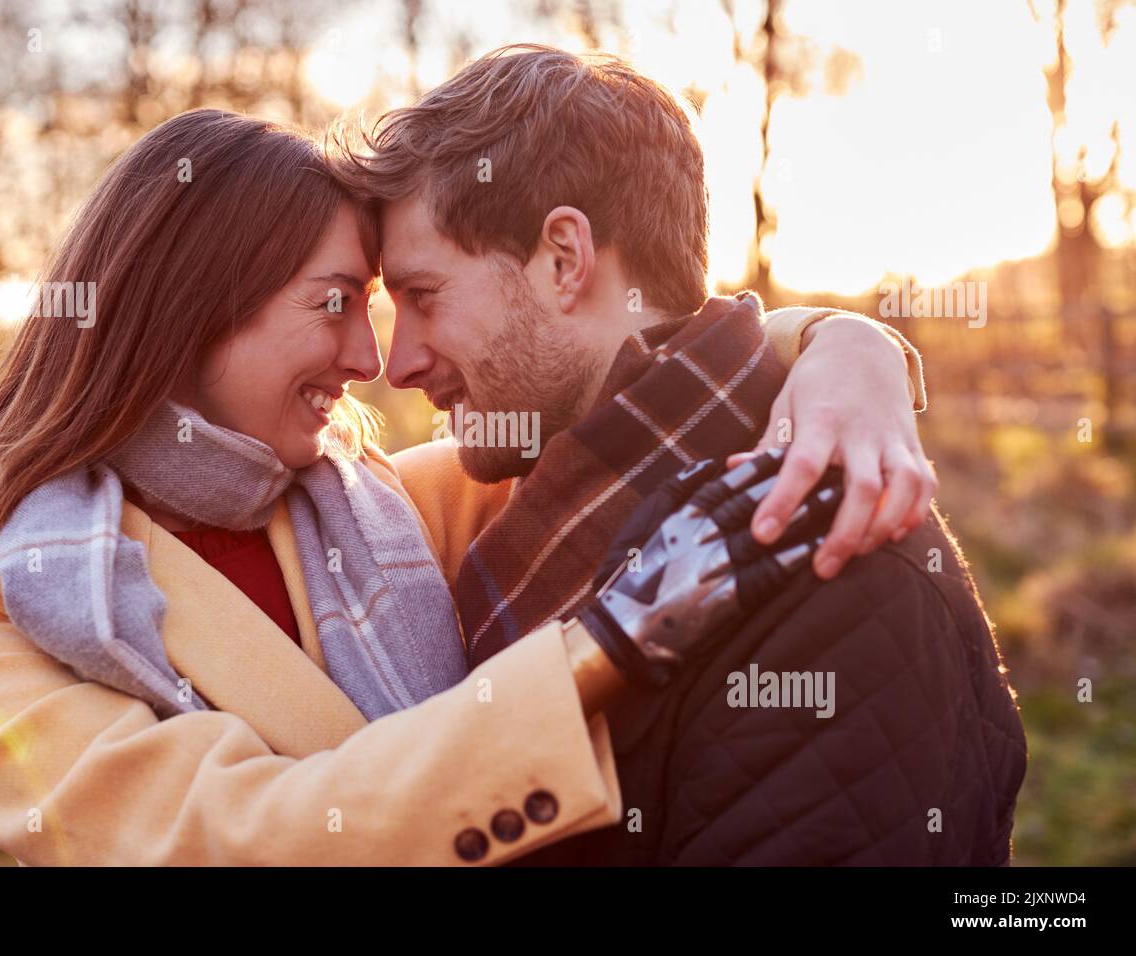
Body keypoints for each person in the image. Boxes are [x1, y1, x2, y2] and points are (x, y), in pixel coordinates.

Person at [0, 106, 927, 866]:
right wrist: (600, 650)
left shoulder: (374, 503)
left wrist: (846, 348)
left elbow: (632, 400)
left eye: (381, 302)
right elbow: (217, 837)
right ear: (191, 310)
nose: (368, 358)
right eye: (334, 303)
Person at [333, 45, 1029, 864]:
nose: (398, 361)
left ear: (565, 259)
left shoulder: (827, 572)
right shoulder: (517, 514)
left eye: (423, 297)